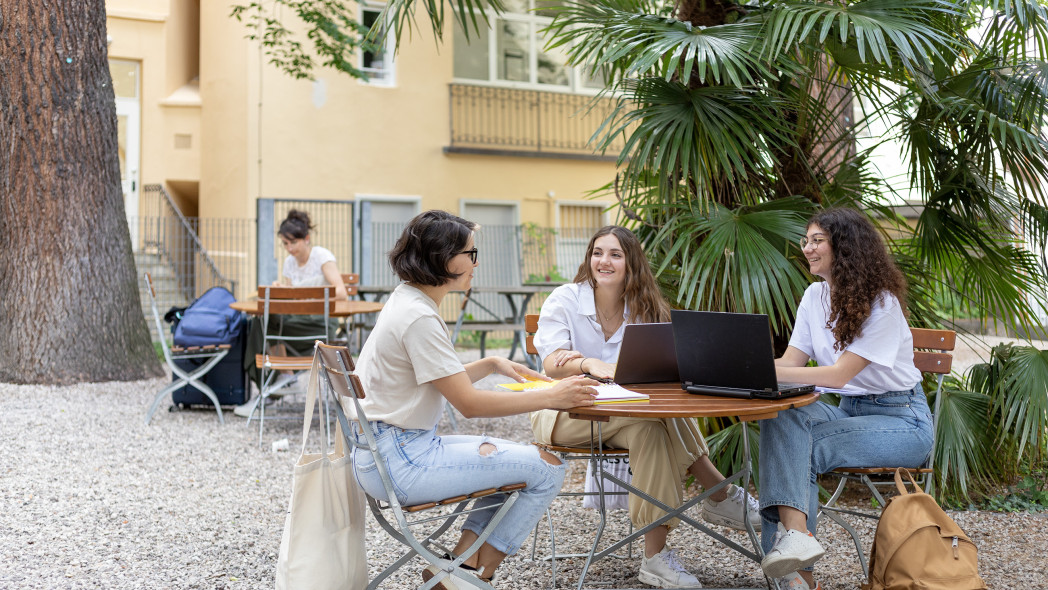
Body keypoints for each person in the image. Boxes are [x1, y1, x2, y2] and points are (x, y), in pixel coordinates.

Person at [350, 210, 600, 589]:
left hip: (384, 452)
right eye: (470, 253)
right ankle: (475, 576)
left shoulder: (407, 301)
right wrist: (553, 396)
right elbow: (468, 404)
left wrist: (491, 363)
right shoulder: (419, 317)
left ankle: (456, 568)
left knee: (519, 463)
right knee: (546, 468)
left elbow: (435, 380)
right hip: (402, 461)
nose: (475, 262)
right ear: (443, 257)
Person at [532, 225, 761, 589]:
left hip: (630, 413)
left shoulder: (643, 307)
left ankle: (654, 559)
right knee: (652, 414)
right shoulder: (564, 299)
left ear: (631, 263)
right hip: (564, 411)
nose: (603, 261)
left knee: (651, 430)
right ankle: (719, 492)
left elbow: (663, 370)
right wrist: (589, 365)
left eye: (615, 254)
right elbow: (551, 364)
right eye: (597, 252)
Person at [757, 208, 934, 590]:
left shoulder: (882, 303)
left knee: (804, 444)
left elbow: (837, 375)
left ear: (846, 246)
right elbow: (791, 363)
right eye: (806, 240)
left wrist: (757, 369)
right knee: (780, 414)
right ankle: (798, 541)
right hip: (848, 413)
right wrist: (743, 367)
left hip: (901, 420)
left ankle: (795, 576)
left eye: (817, 240)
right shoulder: (814, 295)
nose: (807, 248)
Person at [238, 210, 349, 413]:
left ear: (306, 239)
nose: (289, 249)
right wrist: (282, 290)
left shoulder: (321, 257)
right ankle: (284, 377)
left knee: (262, 324)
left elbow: (341, 292)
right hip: (295, 321)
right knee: (259, 321)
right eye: (285, 244)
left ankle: (271, 389)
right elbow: (290, 301)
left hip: (321, 322)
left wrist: (307, 297)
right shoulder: (289, 264)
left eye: (293, 243)